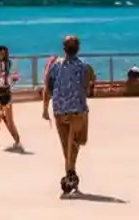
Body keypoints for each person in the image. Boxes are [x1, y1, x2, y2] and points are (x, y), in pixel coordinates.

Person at [43, 35, 96, 196]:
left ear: (64, 49)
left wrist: (45, 109)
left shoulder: (55, 66)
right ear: (78, 49)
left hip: (59, 110)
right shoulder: (84, 67)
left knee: (66, 144)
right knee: (75, 143)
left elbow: (48, 88)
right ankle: (70, 173)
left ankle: (70, 173)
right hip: (77, 109)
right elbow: (89, 87)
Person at [0, 45, 23, 151]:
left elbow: (5, 81)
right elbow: (7, 79)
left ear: (2, 54)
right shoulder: (6, 64)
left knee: (7, 120)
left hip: (5, 96)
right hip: (4, 95)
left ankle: (17, 141)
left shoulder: (4, 65)